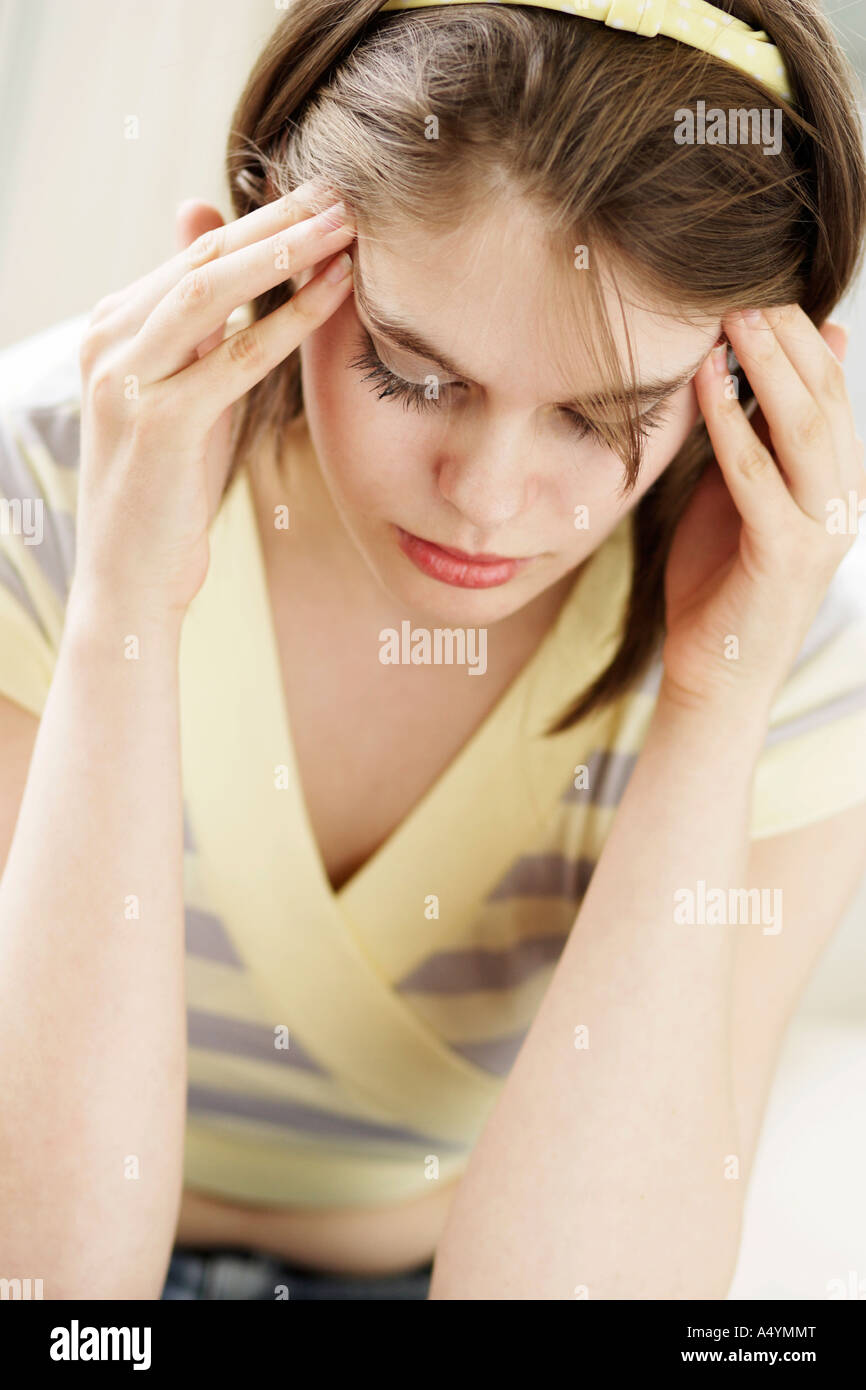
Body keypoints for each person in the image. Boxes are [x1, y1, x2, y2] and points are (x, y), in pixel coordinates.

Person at [1, 0, 865, 1301]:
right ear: (254, 260)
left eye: (604, 417)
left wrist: (712, 698)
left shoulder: (796, 608)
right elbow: (54, 1283)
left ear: (744, 379)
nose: (487, 494)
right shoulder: (49, 475)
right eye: (411, 373)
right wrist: (124, 595)